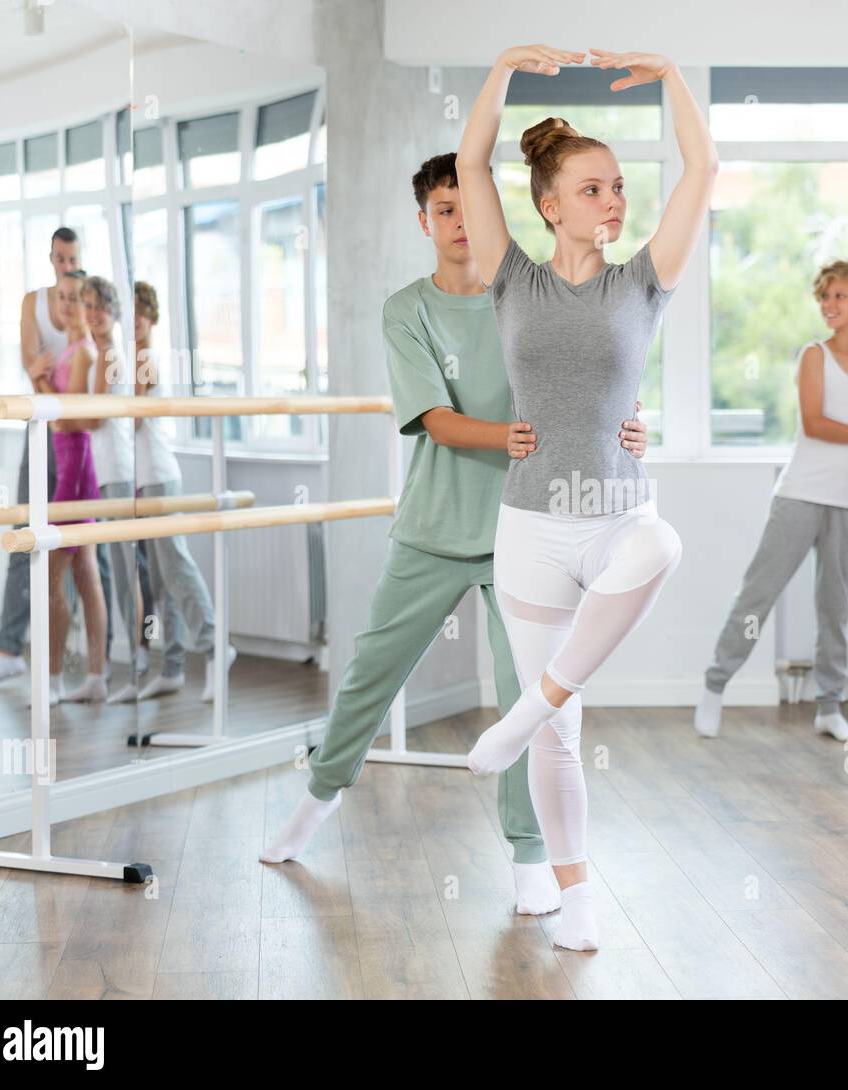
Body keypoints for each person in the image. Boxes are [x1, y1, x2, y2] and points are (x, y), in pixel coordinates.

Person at [259, 151, 650, 920]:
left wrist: (631, 425)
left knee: (527, 699)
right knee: (371, 674)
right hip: (434, 531)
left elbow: (600, 377)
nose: (461, 222)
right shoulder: (407, 309)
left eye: (471, 206)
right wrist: (511, 434)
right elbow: (435, 419)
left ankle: (531, 855)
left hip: (526, 532)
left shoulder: (532, 293)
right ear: (425, 222)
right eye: (445, 210)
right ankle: (315, 801)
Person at [458, 45, 715, 950]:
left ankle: (528, 706)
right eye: (594, 188)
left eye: (619, 188)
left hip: (617, 516)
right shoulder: (512, 280)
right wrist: (502, 70)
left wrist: (671, 77)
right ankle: (577, 901)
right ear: (551, 204)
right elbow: (470, 165)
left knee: (663, 546)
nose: (614, 201)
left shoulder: (642, 281)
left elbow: (702, 170)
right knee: (559, 737)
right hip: (531, 525)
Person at [694, 261, 848, 740]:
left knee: (834, 607)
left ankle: (829, 708)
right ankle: (715, 684)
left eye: (840, 296)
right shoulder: (814, 356)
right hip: (799, 495)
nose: (829, 305)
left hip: (847, 501)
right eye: (824, 297)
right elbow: (815, 424)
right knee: (758, 594)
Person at [0, 227, 73, 692]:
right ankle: (8, 652)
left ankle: (93, 666)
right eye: (60, 259)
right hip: (41, 434)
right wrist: (38, 377)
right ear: (50, 258)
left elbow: (58, 374)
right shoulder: (34, 302)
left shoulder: (82, 302)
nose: (66, 266)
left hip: (77, 438)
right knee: (23, 534)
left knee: (86, 548)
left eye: (73, 260)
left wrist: (40, 376)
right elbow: (32, 369)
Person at [130, 282, 236, 702]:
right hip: (145, 479)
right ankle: (172, 666)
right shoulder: (130, 357)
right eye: (131, 312)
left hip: (159, 476)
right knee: (159, 579)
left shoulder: (143, 358)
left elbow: (132, 420)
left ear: (151, 318)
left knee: (175, 567)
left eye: (142, 312)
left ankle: (215, 646)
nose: (136, 319)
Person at [30, 269, 108, 704]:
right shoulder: (73, 350)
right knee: (86, 574)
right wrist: (38, 375)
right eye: (60, 297)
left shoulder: (84, 354)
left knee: (50, 574)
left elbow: (63, 420)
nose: (65, 305)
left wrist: (36, 377)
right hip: (73, 468)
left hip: (76, 471)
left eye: (73, 298)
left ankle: (54, 679)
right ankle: (95, 677)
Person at [80, 275, 144, 704]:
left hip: (118, 470)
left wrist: (61, 413)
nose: (94, 314)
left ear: (114, 312)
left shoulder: (109, 355)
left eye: (101, 306)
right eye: (88, 306)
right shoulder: (100, 354)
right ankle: (131, 661)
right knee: (120, 570)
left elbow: (95, 418)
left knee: (125, 571)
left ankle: (138, 662)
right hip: (106, 470)